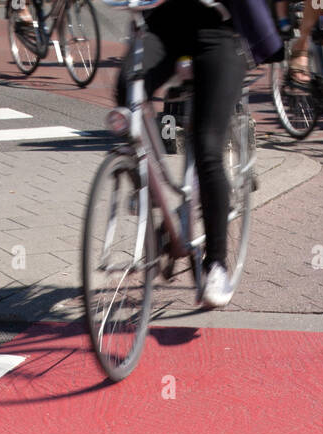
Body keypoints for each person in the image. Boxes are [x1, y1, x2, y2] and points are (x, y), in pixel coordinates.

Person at [116, 0, 281, 310]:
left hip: (217, 32)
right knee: (127, 94)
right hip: (163, 29)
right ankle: (150, 186)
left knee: (207, 147)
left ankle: (216, 265)